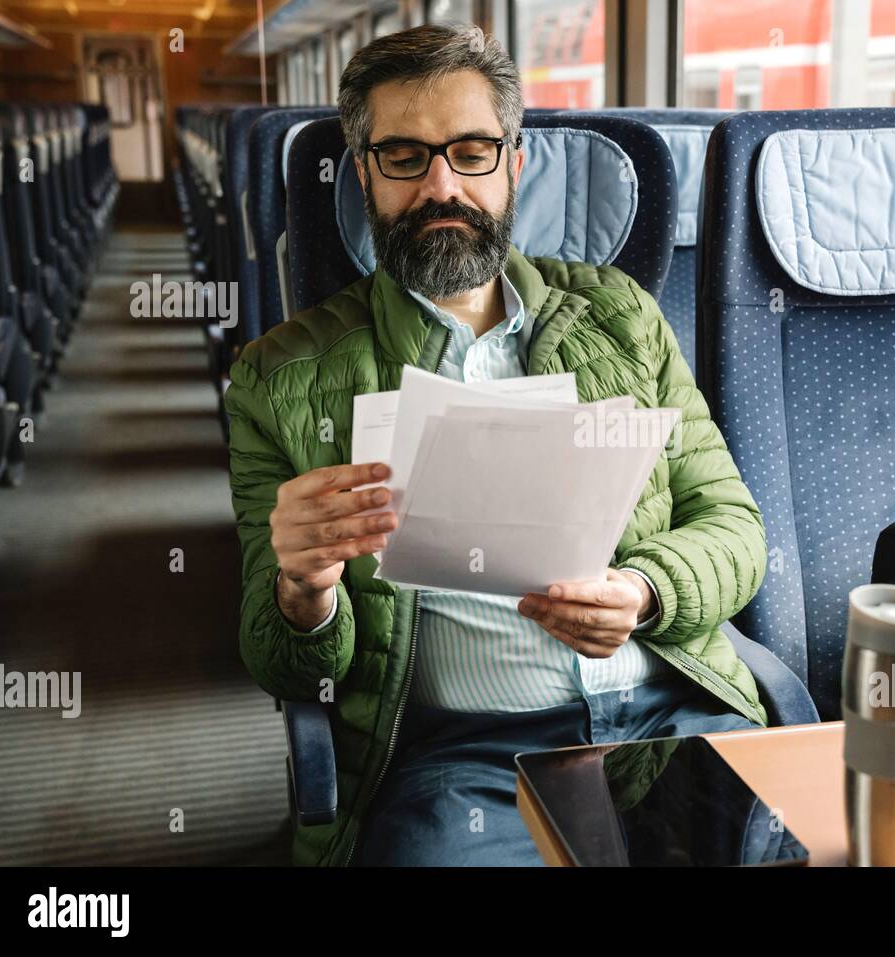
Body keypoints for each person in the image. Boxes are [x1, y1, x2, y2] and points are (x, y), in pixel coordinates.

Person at [225, 23, 768, 866]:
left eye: (472, 151)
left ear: (513, 164)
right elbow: (287, 666)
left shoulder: (622, 316)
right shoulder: (277, 379)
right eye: (404, 156)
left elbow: (735, 528)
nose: (443, 186)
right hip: (472, 758)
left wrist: (647, 589)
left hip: (671, 714)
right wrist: (303, 588)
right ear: (364, 172)